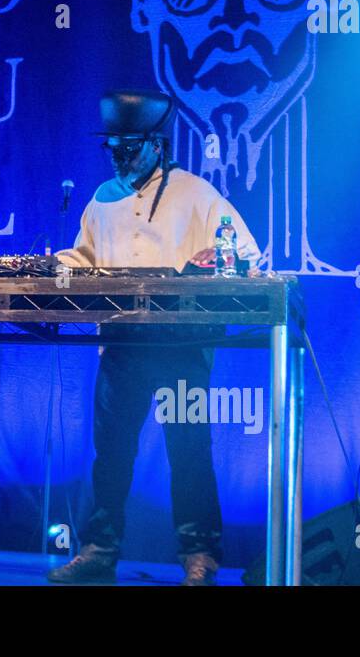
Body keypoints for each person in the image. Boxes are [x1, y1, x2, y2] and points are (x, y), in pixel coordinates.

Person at [46, 89, 260, 586]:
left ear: (157, 144)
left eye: (130, 146)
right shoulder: (103, 199)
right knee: (112, 451)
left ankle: (199, 556)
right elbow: (84, 258)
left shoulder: (195, 193)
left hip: (180, 344)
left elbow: (243, 251)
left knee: (188, 449)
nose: (119, 157)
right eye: (113, 146)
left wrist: (212, 262)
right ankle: (99, 549)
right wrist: (52, 267)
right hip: (123, 344)